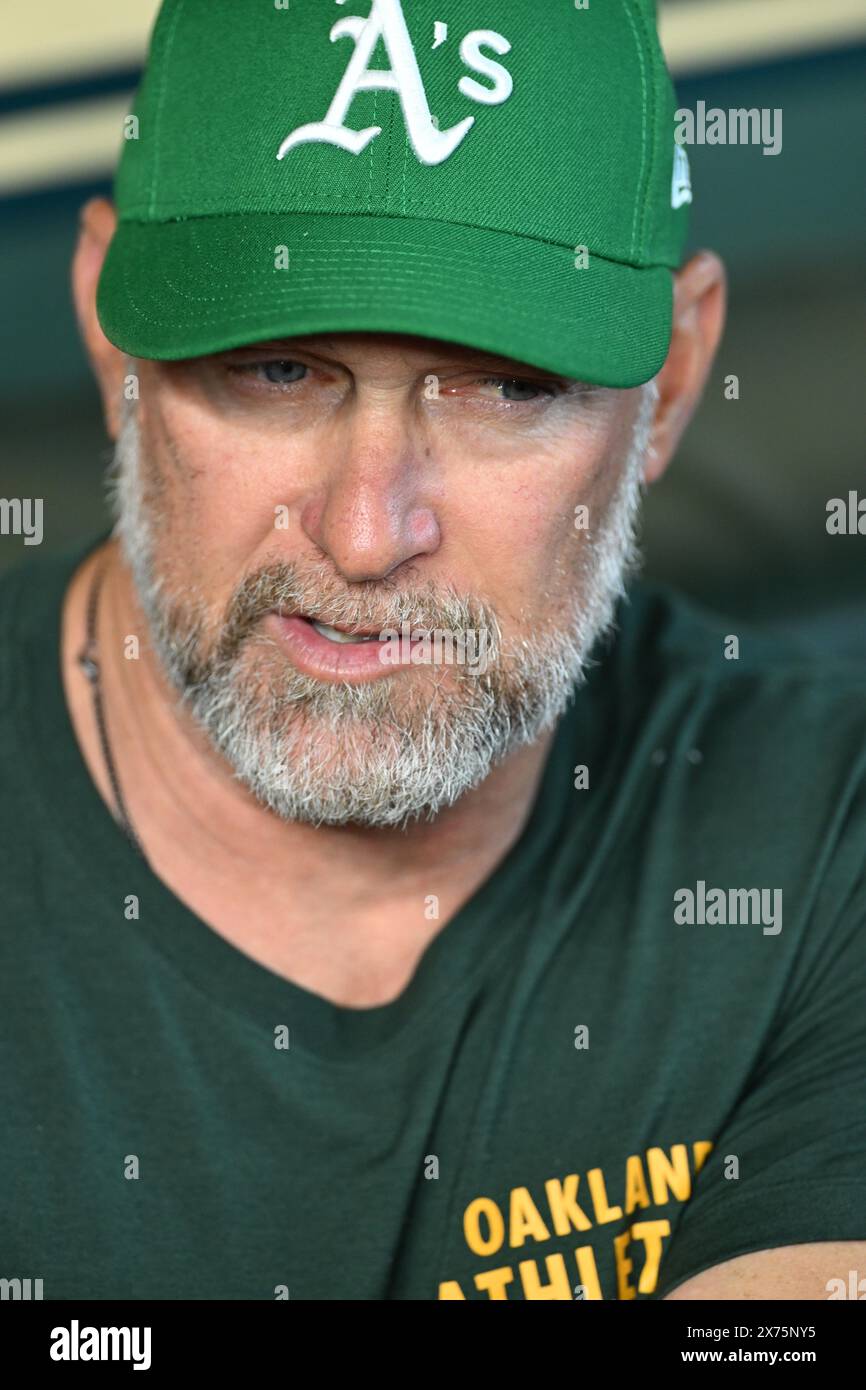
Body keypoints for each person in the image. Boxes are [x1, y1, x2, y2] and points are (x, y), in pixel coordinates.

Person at [1, 0, 864, 1302]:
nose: (362, 535)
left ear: (672, 388)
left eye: (505, 385)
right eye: (275, 369)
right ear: (111, 340)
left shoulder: (826, 825)